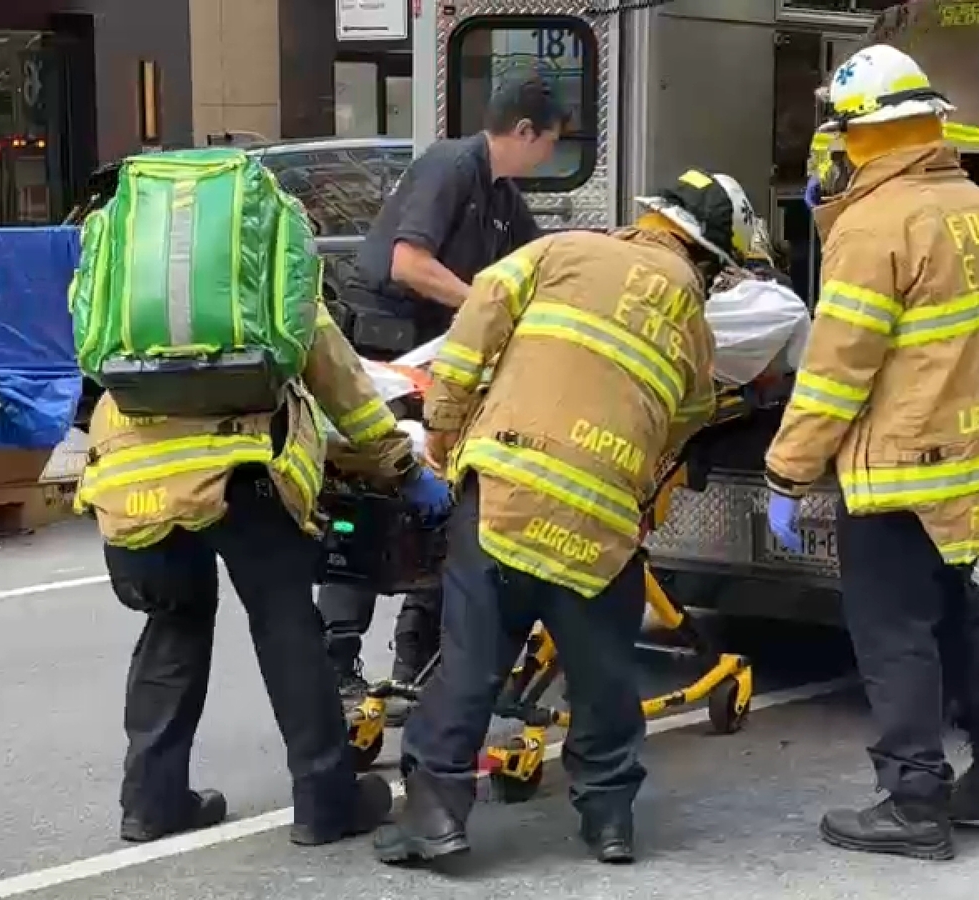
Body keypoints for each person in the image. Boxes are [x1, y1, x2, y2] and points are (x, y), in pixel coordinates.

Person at [374, 170, 755, 868]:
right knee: (603, 671)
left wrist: (444, 431)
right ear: (705, 256)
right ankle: (609, 821)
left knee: (471, 663)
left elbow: (479, 316)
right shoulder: (694, 328)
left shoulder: (561, 252)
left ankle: (434, 820)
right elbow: (688, 418)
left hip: (507, 494)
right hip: (600, 521)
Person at [766, 44, 979, 862]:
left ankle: (912, 802)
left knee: (894, 629)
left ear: (861, 136)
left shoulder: (875, 226)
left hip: (905, 469)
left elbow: (836, 367)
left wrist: (788, 471)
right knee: (958, 613)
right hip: (975, 463)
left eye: (840, 136)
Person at [76, 297, 451, 847]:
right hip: (243, 465)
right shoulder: (265, 230)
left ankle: (150, 802)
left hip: (130, 469)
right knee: (285, 623)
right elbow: (336, 376)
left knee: (174, 616)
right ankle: (327, 802)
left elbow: (89, 348)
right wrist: (399, 464)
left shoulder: (122, 229)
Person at [324, 71, 564, 705]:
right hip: (385, 347)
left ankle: (416, 657)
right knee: (371, 495)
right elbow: (408, 263)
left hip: (434, 357)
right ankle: (336, 660)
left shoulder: (502, 196)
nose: (548, 160)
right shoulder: (451, 165)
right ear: (524, 132)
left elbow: (538, 265)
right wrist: (486, 304)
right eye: (549, 145)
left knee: (444, 497)